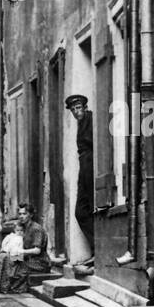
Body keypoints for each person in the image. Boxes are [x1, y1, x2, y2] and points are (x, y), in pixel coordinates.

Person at [0, 203, 48, 293]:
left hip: (38, 261)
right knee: (3, 256)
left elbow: (37, 250)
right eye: (20, 214)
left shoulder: (36, 228)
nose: (21, 216)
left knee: (10, 261)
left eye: (24, 214)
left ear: (31, 215)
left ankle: (8, 286)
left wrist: (20, 252)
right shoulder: (23, 227)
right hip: (26, 257)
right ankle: (0, 285)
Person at [65, 95, 94, 262]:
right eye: (73, 109)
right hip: (83, 166)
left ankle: (97, 250)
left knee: (90, 207)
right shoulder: (80, 123)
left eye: (79, 108)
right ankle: (94, 247)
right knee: (80, 212)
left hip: (90, 164)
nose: (76, 112)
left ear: (85, 107)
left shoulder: (91, 119)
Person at [0, 219, 26, 294]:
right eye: (17, 230)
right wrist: (4, 250)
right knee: (2, 259)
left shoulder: (21, 239)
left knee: (6, 262)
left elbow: (20, 249)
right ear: (15, 230)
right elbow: (7, 245)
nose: (19, 232)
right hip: (11, 253)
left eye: (21, 231)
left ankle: (4, 286)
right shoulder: (13, 237)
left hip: (16, 256)